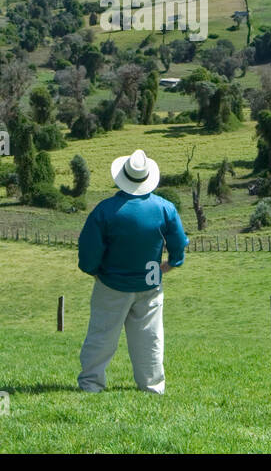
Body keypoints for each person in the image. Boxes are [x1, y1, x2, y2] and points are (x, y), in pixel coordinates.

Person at [76, 149, 189, 395]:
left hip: (111, 283)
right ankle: (152, 386)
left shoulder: (105, 210)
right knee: (149, 338)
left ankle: (91, 384)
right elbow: (179, 245)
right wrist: (171, 264)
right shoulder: (165, 208)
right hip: (150, 282)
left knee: (102, 336)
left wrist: (94, 270)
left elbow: (88, 251)